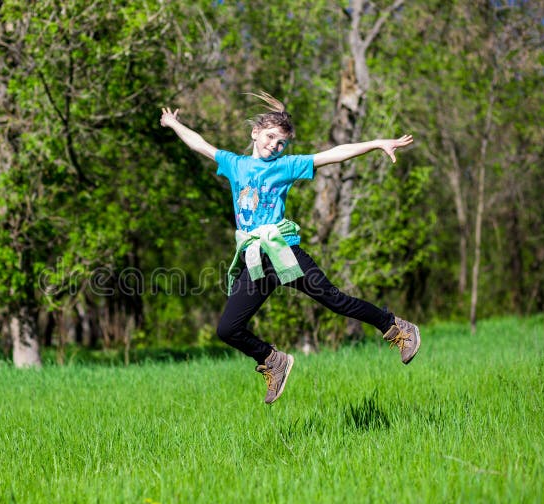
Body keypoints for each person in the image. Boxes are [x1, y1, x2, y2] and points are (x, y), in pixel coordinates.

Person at [160, 92, 420, 404]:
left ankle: (395, 326)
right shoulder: (235, 165)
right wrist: (175, 124)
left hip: (284, 252)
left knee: (335, 300)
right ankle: (273, 360)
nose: (274, 145)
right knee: (228, 329)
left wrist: (378, 143)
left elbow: (334, 154)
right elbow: (200, 144)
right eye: (270, 137)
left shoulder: (287, 166)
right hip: (255, 259)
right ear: (255, 133)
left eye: (281, 143)